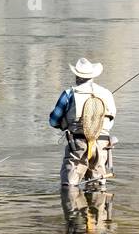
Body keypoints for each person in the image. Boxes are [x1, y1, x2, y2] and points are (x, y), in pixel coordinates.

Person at [48, 57, 117, 186]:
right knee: (98, 185)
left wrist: (64, 124)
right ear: (93, 76)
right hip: (102, 144)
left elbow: (53, 121)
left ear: (77, 76)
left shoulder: (69, 94)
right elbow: (110, 121)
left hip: (77, 144)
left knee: (70, 186)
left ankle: (73, 204)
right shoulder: (107, 93)